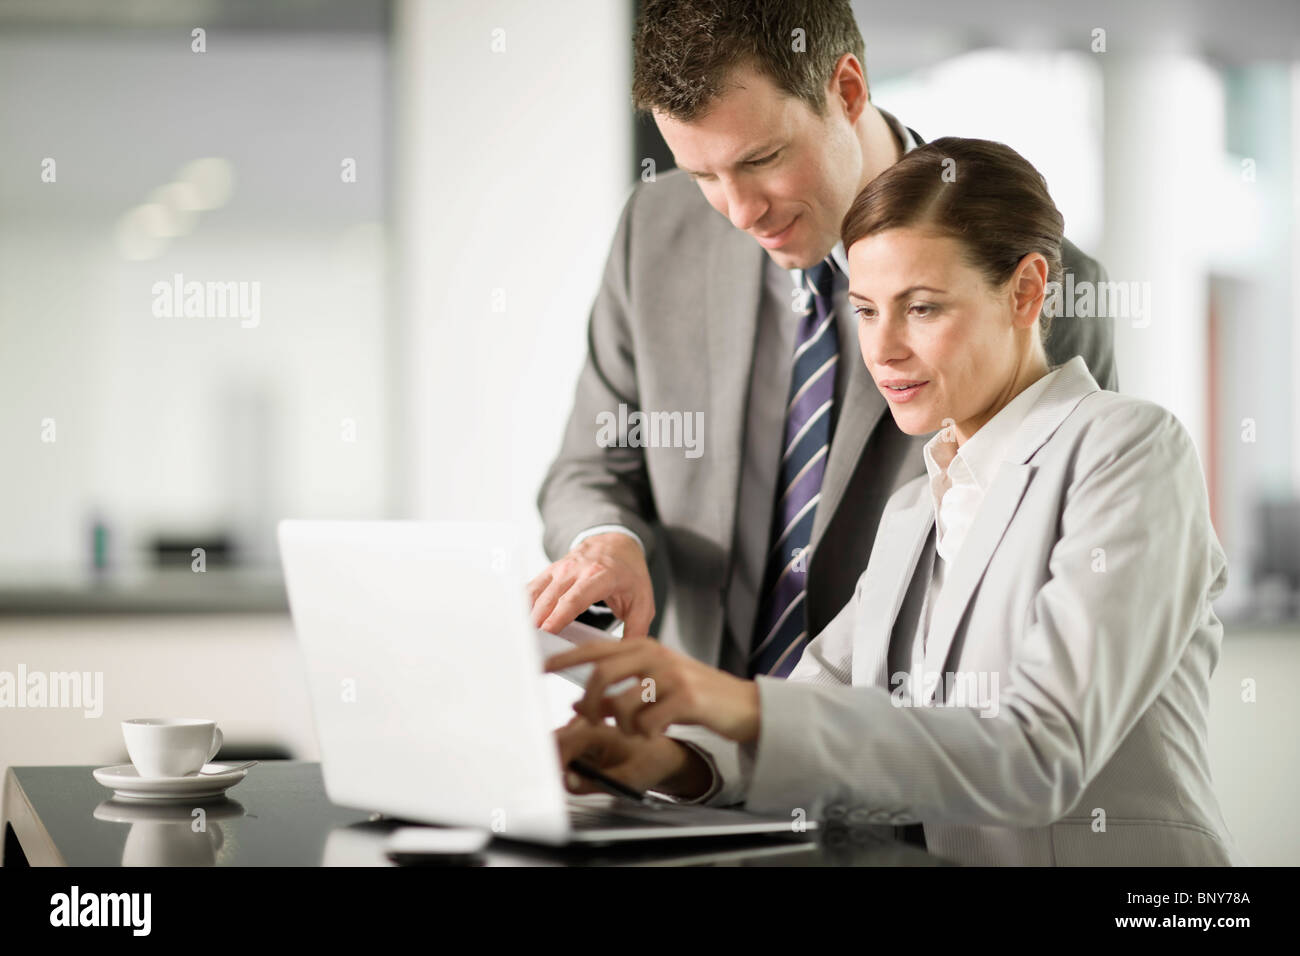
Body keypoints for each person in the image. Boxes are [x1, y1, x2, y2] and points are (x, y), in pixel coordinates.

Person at [545, 137, 1244, 867]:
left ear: (1027, 291)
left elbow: (1044, 753)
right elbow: (825, 717)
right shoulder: (917, 507)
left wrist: (737, 701)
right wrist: (665, 763)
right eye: (867, 311)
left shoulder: (1128, 450)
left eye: (921, 308)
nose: (883, 350)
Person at [529, 0, 1116, 695]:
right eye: (703, 176)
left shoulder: (1036, 282)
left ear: (846, 89)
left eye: (763, 159)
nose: (740, 212)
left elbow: (1024, 582)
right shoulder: (657, 231)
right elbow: (591, 466)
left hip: (905, 767)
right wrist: (609, 546)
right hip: (687, 756)